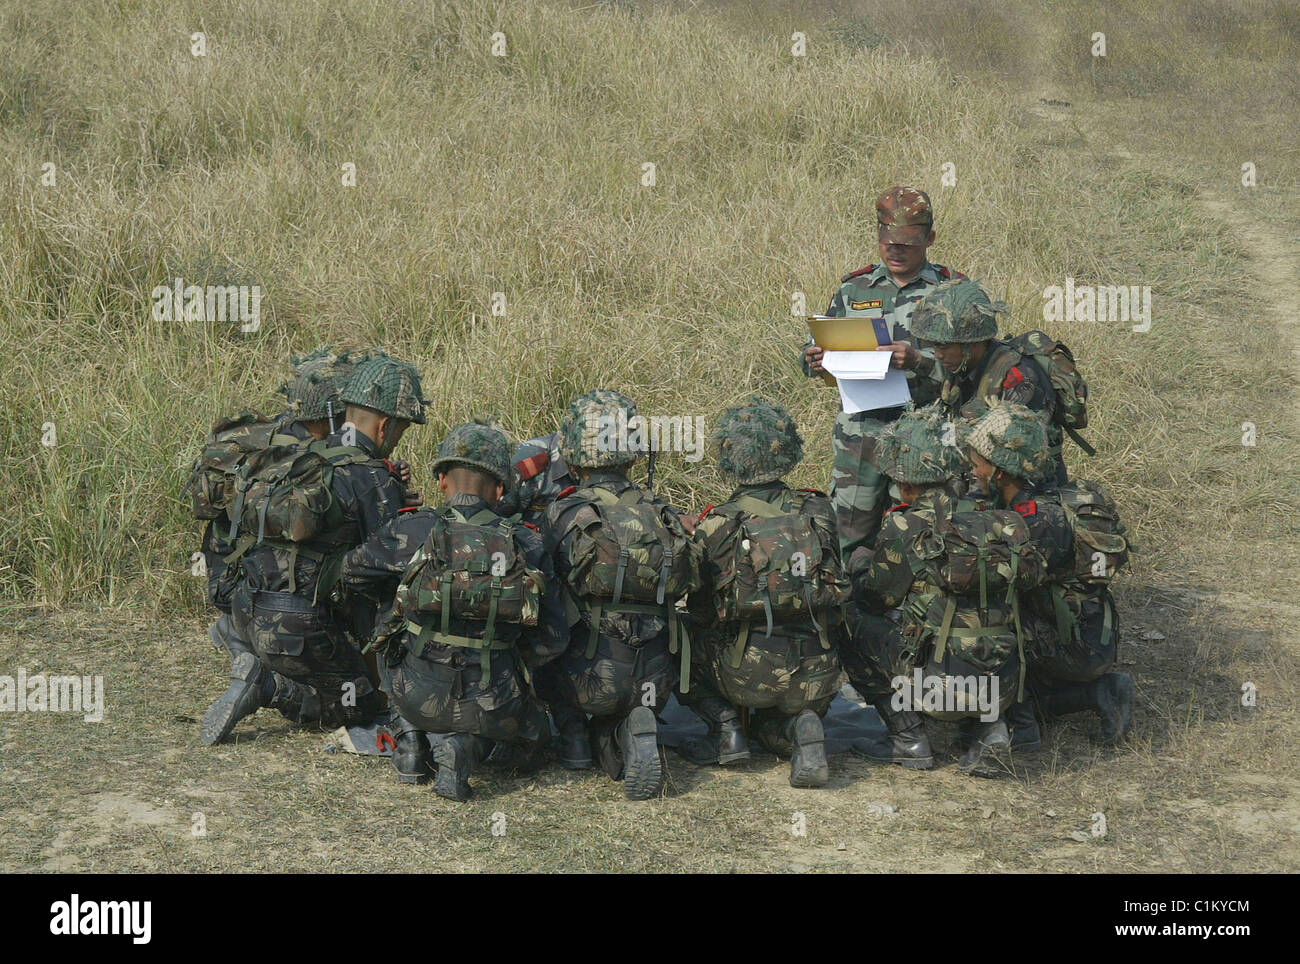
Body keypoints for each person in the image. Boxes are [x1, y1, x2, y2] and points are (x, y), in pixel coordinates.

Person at [342, 422, 568, 800]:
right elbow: (555, 639)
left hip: (415, 695)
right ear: (500, 490)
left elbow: (350, 572)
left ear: (443, 480)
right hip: (496, 703)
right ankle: (468, 748)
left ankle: (410, 740)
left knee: (390, 609)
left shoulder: (413, 529)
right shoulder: (526, 541)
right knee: (536, 742)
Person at [217, 355, 425, 740]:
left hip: (248, 607)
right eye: (400, 432)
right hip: (298, 631)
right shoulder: (373, 478)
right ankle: (271, 687)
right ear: (383, 428)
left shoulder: (300, 455)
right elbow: (389, 581)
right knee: (359, 703)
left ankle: (244, 644)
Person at [845, 404, 1046, 776]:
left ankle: (909, 738)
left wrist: (859, 565)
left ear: (905, 485)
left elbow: (875, 599)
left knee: (851, 619)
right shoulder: (1005, 521)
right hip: (1002, 682)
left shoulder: (905, 525)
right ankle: (992, 726)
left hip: (937, 690)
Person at [535, 389, 700, 800]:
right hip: (656, 675)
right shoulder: (663, 513)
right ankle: (629, 725)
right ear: (633, 456)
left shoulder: (563, 512)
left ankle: (574, 737)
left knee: (543, 623)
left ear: (572, 458)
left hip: (587, 676)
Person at [682, 398, 846, 788]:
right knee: (783, 713)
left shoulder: (719, 523)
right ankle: (801, 725)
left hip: (748, 675)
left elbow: (702, 610)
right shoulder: (819, 511)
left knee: (678, 634)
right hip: (816, 677)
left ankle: (726, 729)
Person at [801, 185, 967, 559]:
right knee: (848, 535)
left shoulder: (953, 291)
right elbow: (821, 345)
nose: (895, 250)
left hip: (925, 435)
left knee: (919, 535)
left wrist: (919, 362)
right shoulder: (854, 288)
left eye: (906, 244)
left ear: (929, 239)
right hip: (860, 435)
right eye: (887, 241)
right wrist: (813, 358)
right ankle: (852, 612)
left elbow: (975, 367)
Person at [963, 402, 1133, 746]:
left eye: (978, 461)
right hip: (1088, 632)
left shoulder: (1036, 523)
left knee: (980, 625)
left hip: (1076, 646)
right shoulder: (1042, 499)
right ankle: (1077, 693)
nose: (973, 468)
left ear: (998, 471)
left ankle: (1020, 725)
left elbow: (987, 580)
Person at [909, 279, 1065, 485]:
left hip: (1023, 490)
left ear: (971, 344)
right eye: (932, 345)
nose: (937, 354)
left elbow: (1018, 456)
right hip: (982, 480)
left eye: (944, 346)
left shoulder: (1018, 378)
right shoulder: (962, 367)